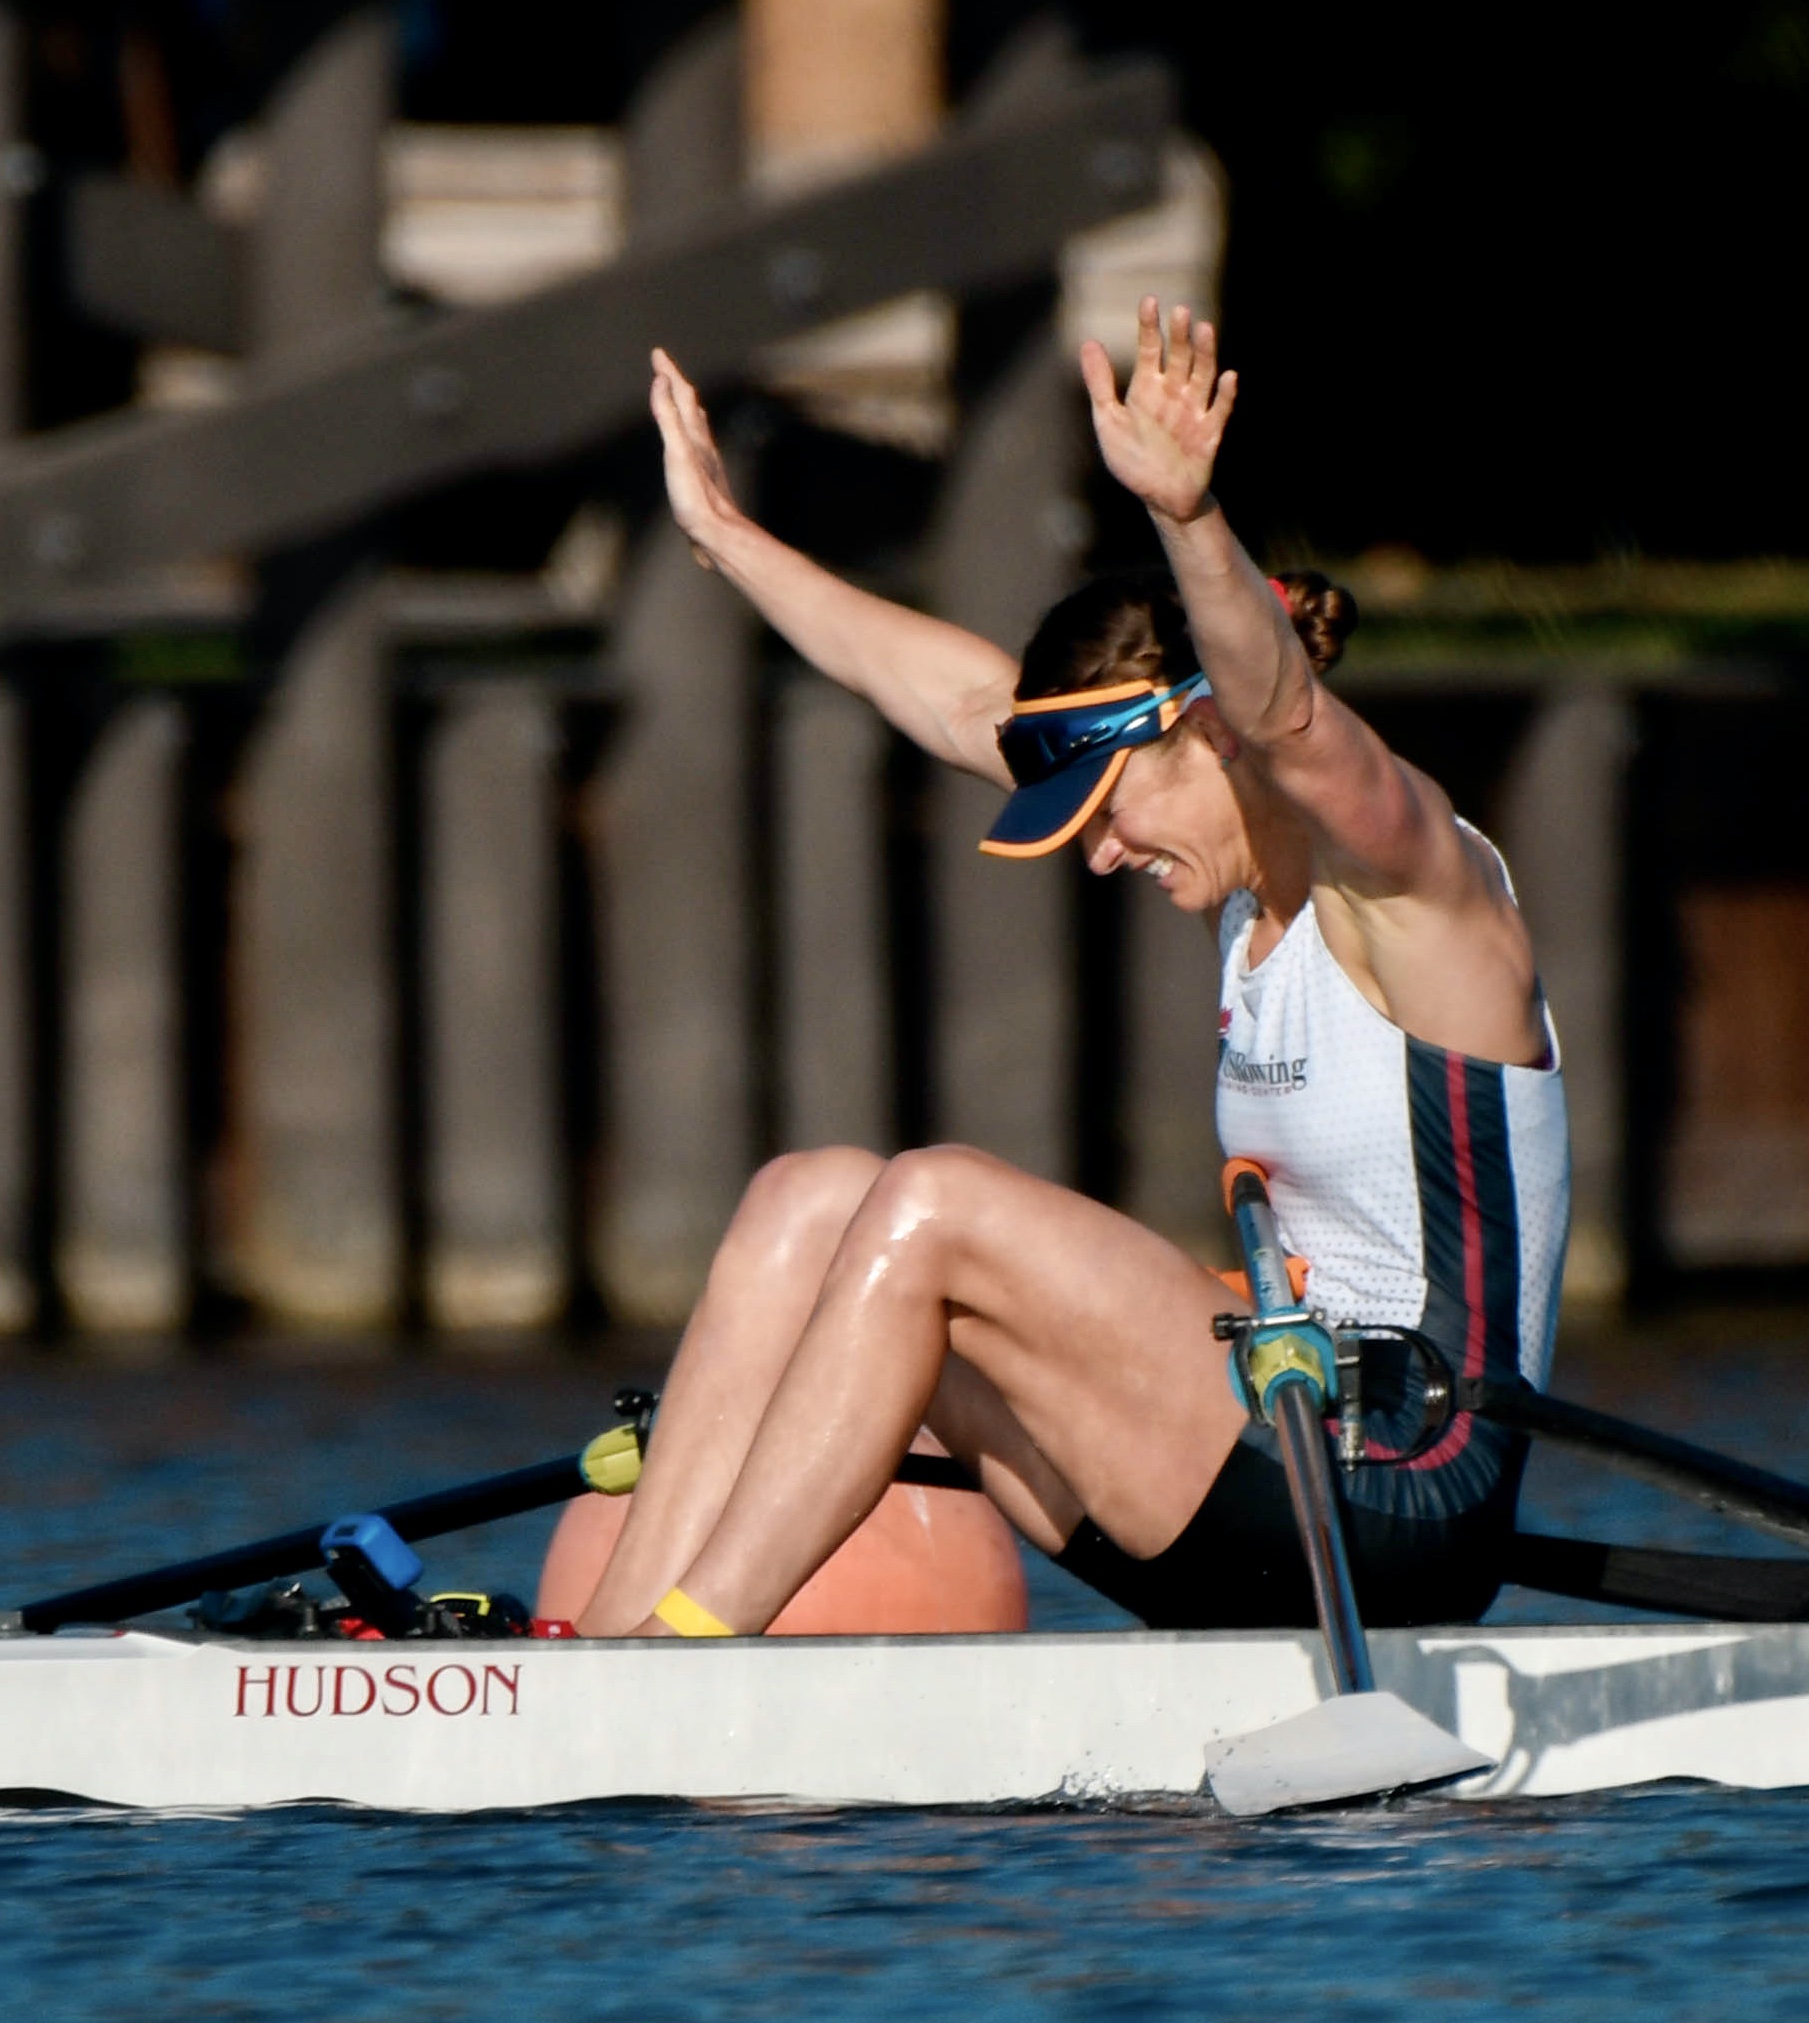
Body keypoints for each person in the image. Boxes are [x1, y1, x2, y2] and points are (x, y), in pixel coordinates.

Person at [574, 300, 1570, 1640]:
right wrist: (729, 541)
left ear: (1200, 732)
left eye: (1112, 812)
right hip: (1257, 1449)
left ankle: (692, 1652)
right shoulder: (1229, 867)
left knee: (933, 1201)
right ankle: (599, 1658)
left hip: (1402, 1493)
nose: (1100, 858)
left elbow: (1284, 715)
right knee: (809, 1201)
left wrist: (1184, 515)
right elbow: (952, 699)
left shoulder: (1410, 886)